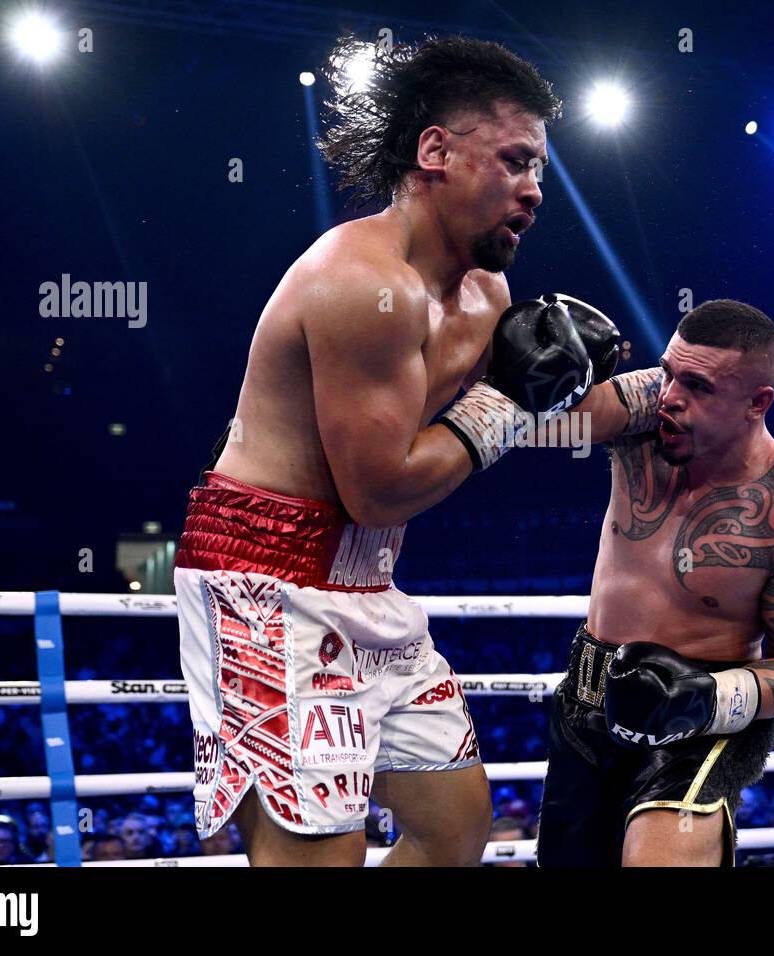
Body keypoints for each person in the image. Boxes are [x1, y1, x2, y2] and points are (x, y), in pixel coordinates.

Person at [173, 33, 620, 866]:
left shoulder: (488, 292)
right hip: (267, 583)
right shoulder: (362, 285)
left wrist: (664, 398)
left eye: (541, 173)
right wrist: (508, 400)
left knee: (454, 829)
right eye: (516, 162)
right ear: (436, 151)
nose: (534, 192)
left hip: (366, 576)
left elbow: (534, 413)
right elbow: (382, 486)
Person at [537, 299, 774, 866]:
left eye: (700, 386)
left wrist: (708, 700)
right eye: (669, 371)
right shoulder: (651, 407)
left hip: (701, 724)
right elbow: (551, 424)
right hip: (585, 698)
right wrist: (542, 371)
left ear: (758, 403)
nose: (671, 396)